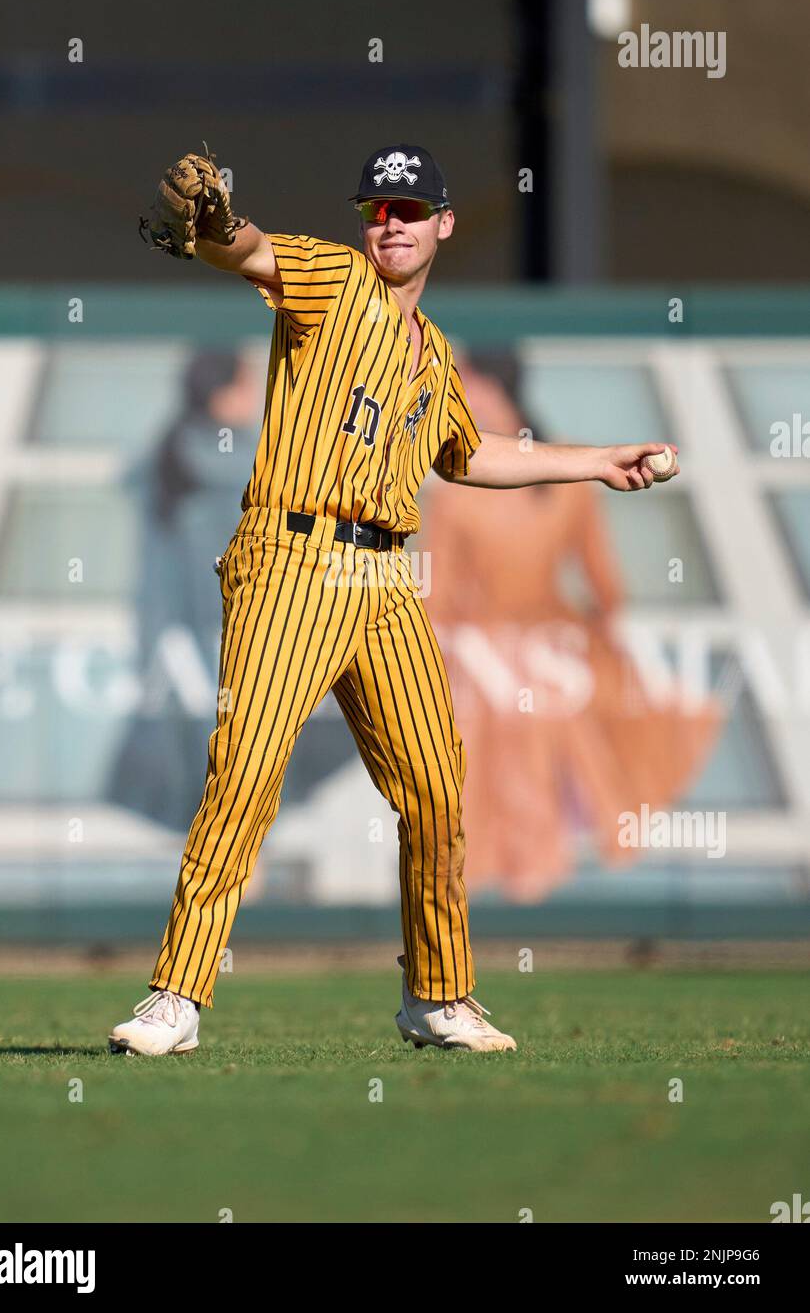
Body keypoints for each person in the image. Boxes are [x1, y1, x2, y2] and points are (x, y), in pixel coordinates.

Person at [110, 144, 678, 1057]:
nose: (393, 224)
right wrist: (213, 220)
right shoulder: (333, 281)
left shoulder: (434, 351)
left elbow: (469, 453)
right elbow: (244, 250)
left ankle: (440, 996)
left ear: (443, 224)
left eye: (411, 210)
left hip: (385, 577)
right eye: (379, 208)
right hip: (293, 559)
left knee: (435, 787)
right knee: (247, 774)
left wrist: (597, 461)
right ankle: (176, 996)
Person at [423, 350, 721, 900]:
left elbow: (437, 602)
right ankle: (526, 891)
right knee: (536, 747)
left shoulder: (464, 487)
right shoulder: (552, 477)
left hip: (514, 655)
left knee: (499, 760)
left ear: (490, 387)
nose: (456, 392)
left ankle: (518, 892)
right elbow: (607, 591)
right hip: (544, 651)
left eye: (463, 381)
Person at [106, 350, 261, 833]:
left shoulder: (168, 459)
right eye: (249, 385)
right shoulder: (249, 471)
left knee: (210, 797)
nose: (260, 397)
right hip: (226, 651)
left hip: (178, 656)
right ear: (222, 396)